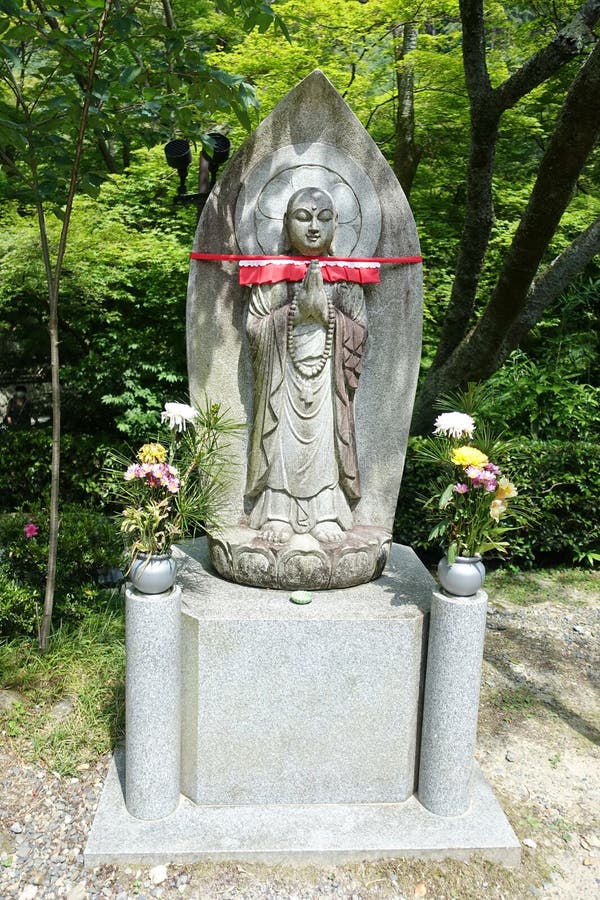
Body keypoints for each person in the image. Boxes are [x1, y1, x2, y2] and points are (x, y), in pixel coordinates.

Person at [245, 187, 367, 545]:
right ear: (286, 223)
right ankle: (278, 511)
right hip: (282, 377)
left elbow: (361, 330)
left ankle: (326, 512)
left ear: (336, 224)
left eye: (323, 218)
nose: (313, 227)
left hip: (328, 379)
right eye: (303, 217)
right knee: (281, 436)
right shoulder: (271, 275)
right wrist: (293, 315)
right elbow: (254, 328)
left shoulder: (346, 277)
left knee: (325, 439)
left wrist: (328, 315)